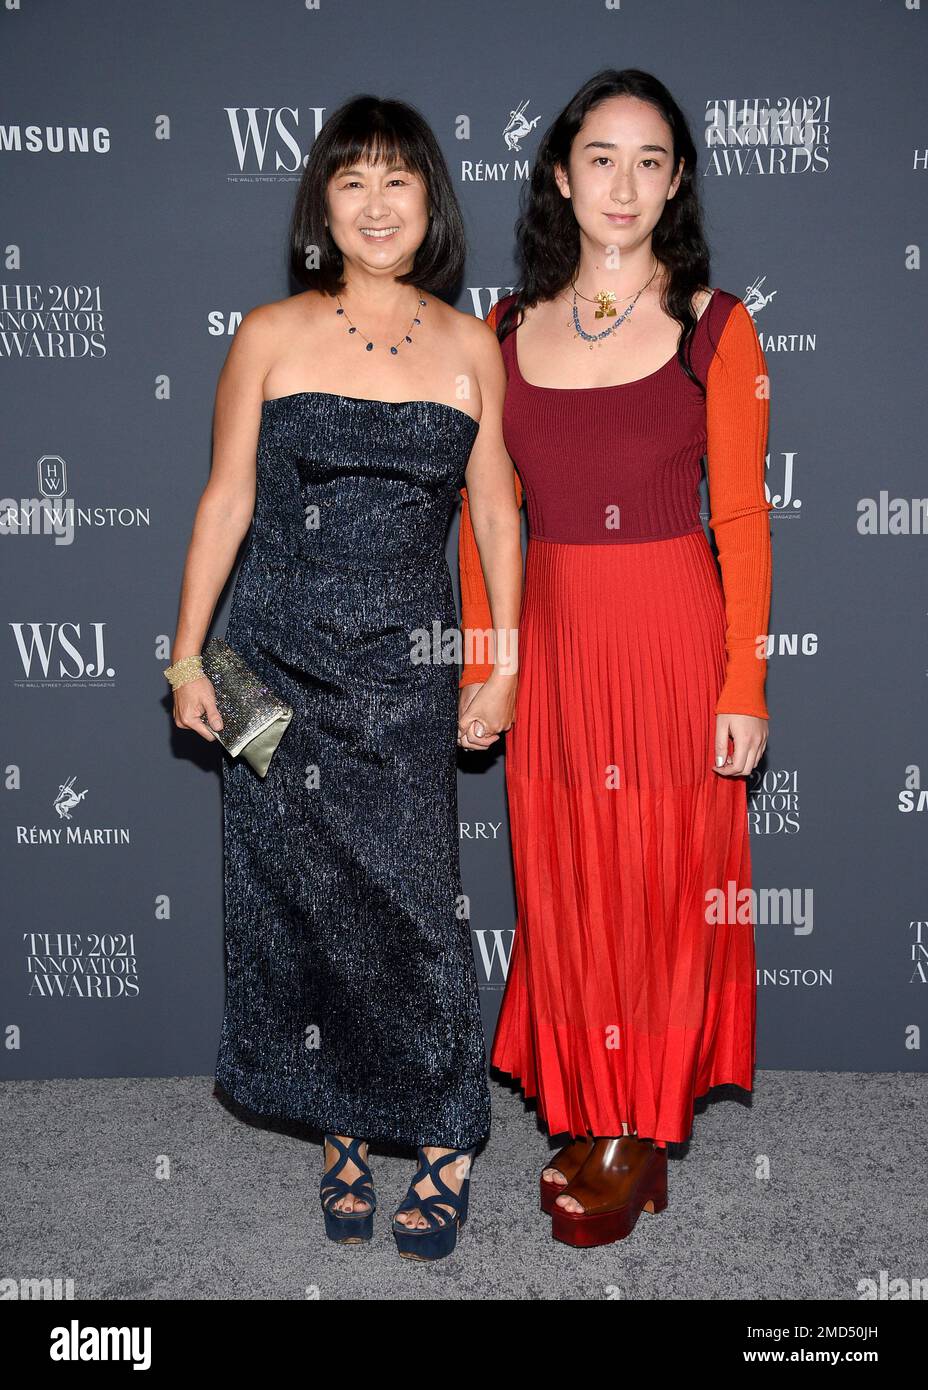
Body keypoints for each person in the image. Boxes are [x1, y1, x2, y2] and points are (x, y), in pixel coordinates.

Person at [165, 94, 521, 1262]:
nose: (375, 203)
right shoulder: (267, 333)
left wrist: (500, 660)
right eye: (351, 180)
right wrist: (185, 652)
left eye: (398, 180)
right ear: (323, 203)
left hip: (404, 676)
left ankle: (446, 1135)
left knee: (416, 908)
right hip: (266, 662)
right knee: (295, 902)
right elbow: (227, 498)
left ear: (432, 203)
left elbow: (498, 515)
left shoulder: (472, 348)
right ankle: (340, 1128)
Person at [456, 68, 773, 1248]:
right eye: (602, 157)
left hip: (668, 635)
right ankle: (591, 1106)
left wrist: (743, 681)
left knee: (655, 874)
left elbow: (739, 520)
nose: (624, 183)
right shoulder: (501, 328)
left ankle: (634, 1132)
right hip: (554, 640)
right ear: (559, 172)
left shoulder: (715, 326)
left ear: (677, 179)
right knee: (565, 876)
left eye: (650, 160)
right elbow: (487, 518)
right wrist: (485, 664)